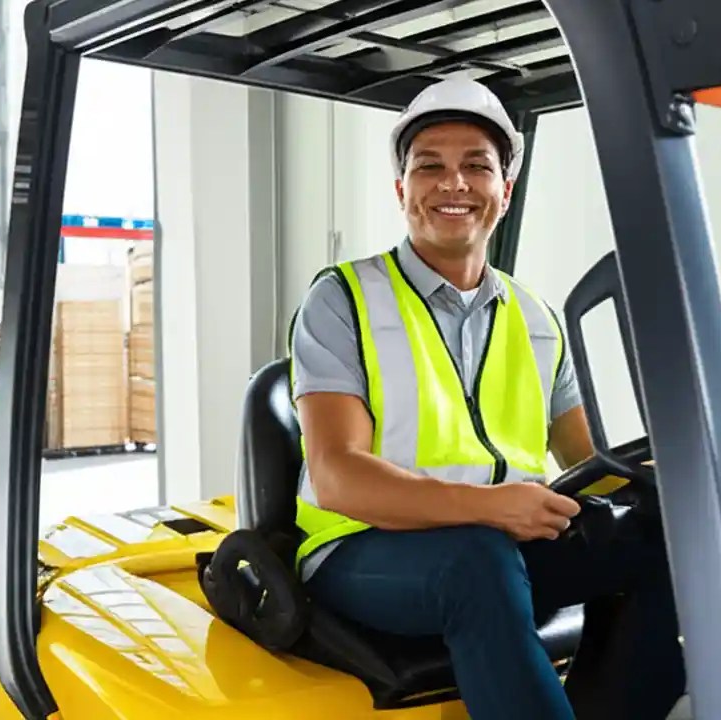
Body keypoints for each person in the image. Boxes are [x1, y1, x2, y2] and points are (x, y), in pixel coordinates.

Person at [288, 77, 687, 720]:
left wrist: (669, 490)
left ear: (505, 190)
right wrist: (490, 507)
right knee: (477, 559)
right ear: (402, 191)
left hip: (498, 547)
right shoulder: (342, 300)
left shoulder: (536, 317)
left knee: (662, 540)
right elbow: (337, 478)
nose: (454, 184)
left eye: (477, 166)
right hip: (362, 549)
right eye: (430, 167)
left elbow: (592, 459)